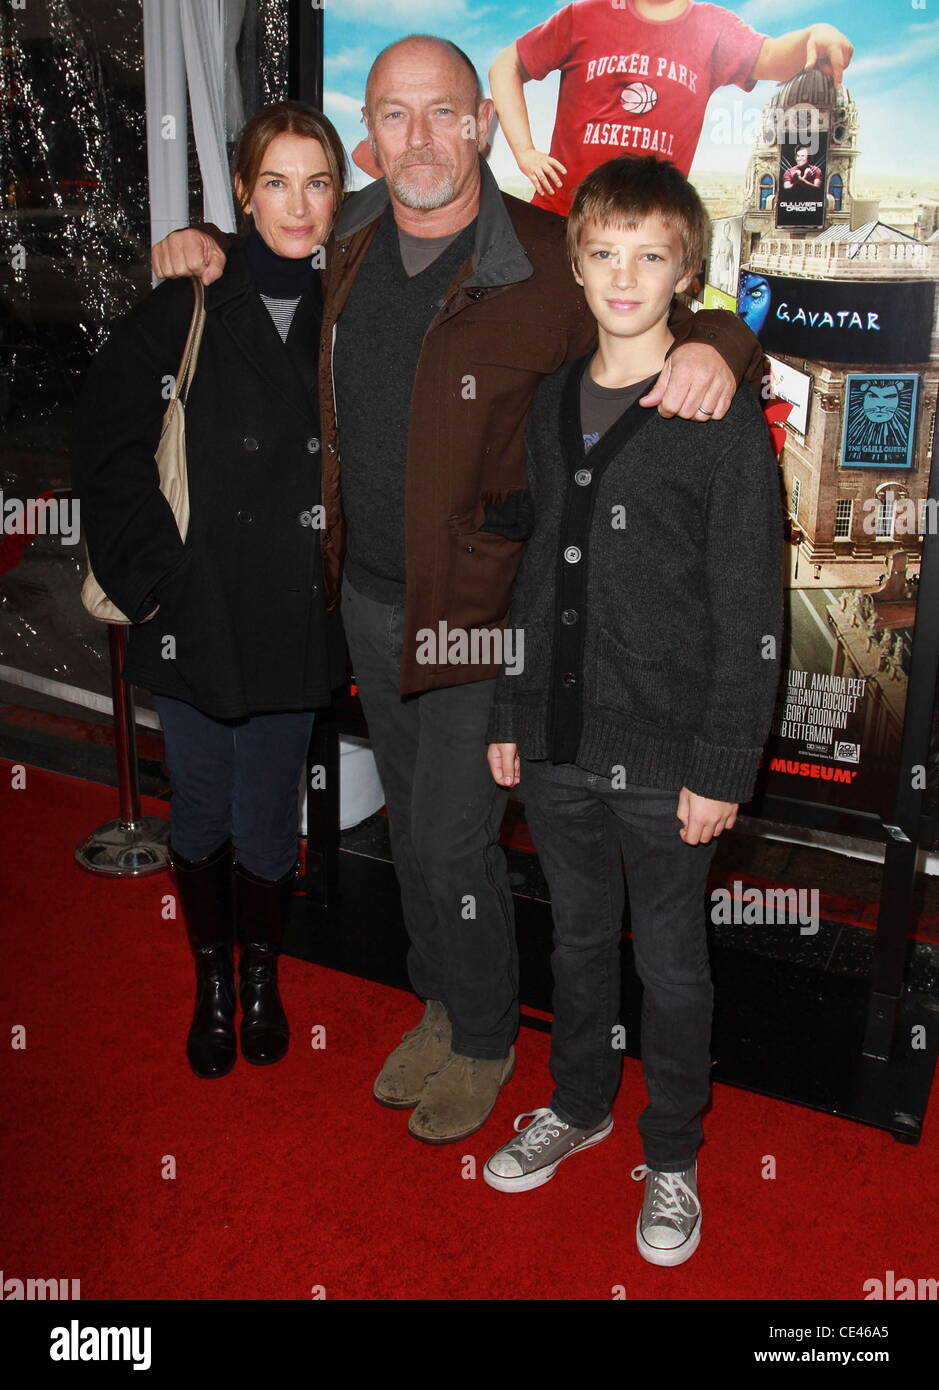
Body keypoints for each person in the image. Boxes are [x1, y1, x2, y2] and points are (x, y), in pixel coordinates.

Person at [149, 33, 765, 1144]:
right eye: (393, 116)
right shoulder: (344, 236)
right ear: (369, 138)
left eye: (444, 113)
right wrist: (198, 243)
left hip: (487, 617)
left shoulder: (543, 255)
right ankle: (441, 997)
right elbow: (257, 256)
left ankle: (484, 1034)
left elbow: (665, 313)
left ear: (484, 122)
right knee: (416, 835)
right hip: (365, 598)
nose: (420, 138)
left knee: (446, 838)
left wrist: (727, 343)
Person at [483, 155, 783, 1265]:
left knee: (672, 963)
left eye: (650, 256)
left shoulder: (718, 413)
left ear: (686, 270)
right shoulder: (554, 400)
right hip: (556, 744)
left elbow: (754, 609)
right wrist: (513, 710)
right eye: (604, 253)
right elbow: (530, 576)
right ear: (577, 262)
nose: (624, 275)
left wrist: (722, 764)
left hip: (670, 762)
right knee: (571, 939)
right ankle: (578, 1100)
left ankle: (672, 1155)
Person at [71, 102, 348, 1080]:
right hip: (193, 607)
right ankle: (212, 983)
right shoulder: (191, 296)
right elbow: (106, 441)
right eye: (276, 181)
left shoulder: (346, 307)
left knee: (270, 808)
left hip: (288, 611)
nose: (298, 204)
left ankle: (263, 976)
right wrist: (155, 580)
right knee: (197, 808)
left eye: (317, 182)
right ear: (242, 191)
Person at [489, 0, 853, 214]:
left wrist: (815, 34)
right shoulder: (586, 14)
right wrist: (525, 152)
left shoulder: (713, 27)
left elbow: (772, 57)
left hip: (643, 234)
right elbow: (506, 65)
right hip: (560, 218)